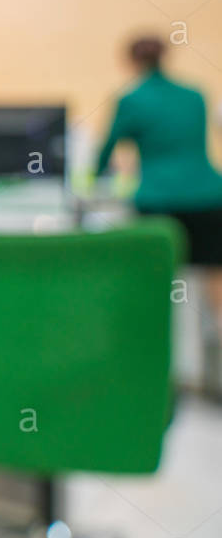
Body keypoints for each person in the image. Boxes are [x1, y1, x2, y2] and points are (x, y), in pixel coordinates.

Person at [96, 35, 222, 329]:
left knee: (156, 275)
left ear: (131, 61)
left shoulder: (131, 99)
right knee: (214, 272)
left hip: (159, 201)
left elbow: (107, 148)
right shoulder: (195, 95)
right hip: (210, 196)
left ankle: (158, 342)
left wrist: (94, 178)